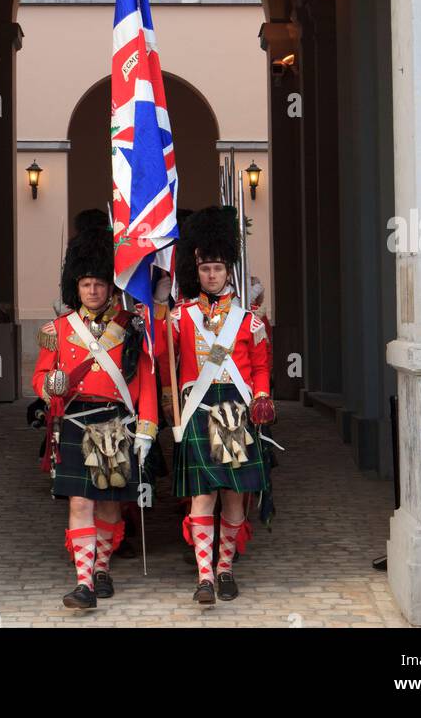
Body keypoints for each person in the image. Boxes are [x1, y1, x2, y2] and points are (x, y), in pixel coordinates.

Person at [32, 224, 157, 610]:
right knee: (79, 502)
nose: (92, 290)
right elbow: (40, 377)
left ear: (110, 285)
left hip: (115, 422)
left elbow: (145, 380)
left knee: (107, 504)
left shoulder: (131, 328)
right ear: (77, 286)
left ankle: (102, 567)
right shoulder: (58, 330)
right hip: (75, 421)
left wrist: (147, 427)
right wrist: (48, 385)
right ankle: (84, 582)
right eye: (85, 284)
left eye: (99, 283)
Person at [158, 206, 274, 605]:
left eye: (218, 269)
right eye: (205, 269)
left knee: (234, 496)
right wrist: (153, 320)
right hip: (199, 409)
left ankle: (225, 568)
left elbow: (260, 367)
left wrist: (261, 396)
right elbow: (162, 361)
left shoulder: (249, 322)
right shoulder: (180, 317)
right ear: (197, 269)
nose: (211, 275)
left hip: (237, 411)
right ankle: (204, 576)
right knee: (203, 495)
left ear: (228, 271)